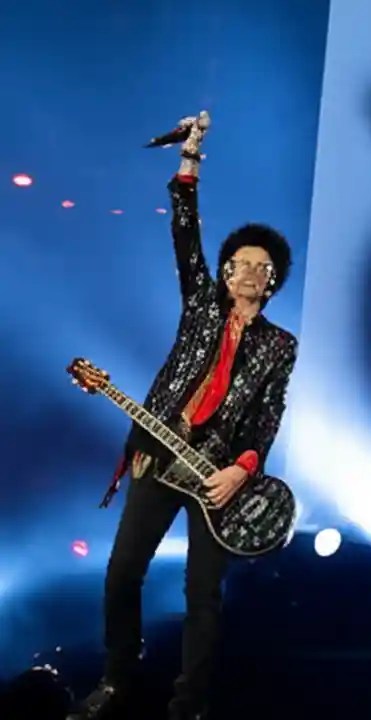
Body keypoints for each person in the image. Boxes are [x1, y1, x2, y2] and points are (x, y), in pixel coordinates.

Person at [68, 111, 298, 720]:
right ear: (224, 274)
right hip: (157, 449)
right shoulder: (200, 307)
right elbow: (185, 233)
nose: (248, 271)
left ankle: (188, 705)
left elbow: (268, 416)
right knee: (121, 574)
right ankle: (117, 679)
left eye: (260, 266)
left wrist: (242, 469)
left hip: (217, 474)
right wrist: (190, 160)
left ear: (271, 282)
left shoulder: (280, 345)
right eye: (239, 263)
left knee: (204, 597)